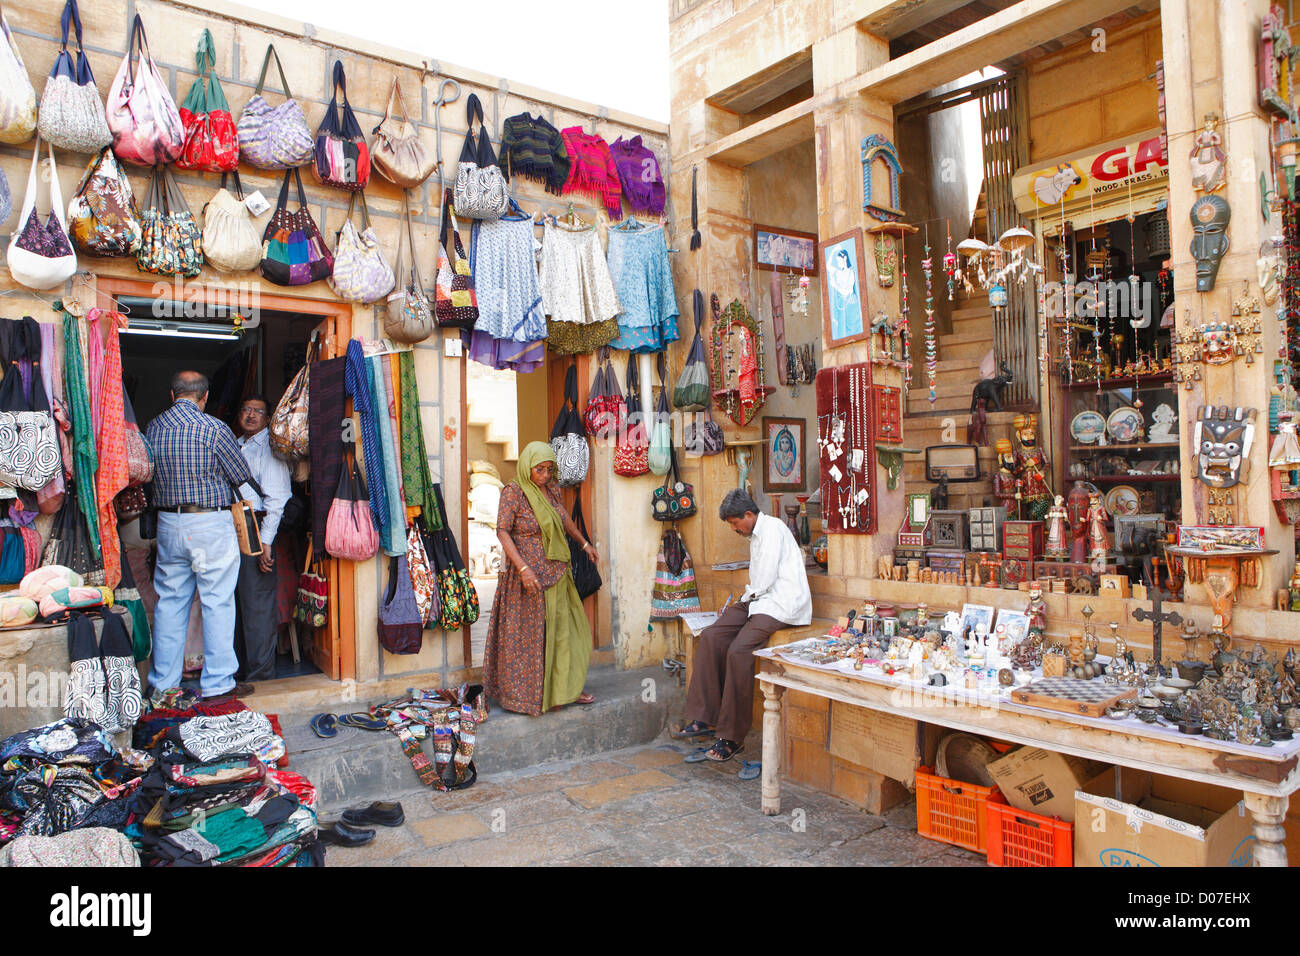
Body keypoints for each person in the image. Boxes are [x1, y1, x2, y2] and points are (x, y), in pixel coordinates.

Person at [146, 370, 258, 703]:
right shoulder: (213, 428)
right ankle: (218, 684)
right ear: (205, 396)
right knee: (217, 601)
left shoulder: (154, 427)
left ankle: (163, 685)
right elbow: (240, 475)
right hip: (209, 523)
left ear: (172, 394)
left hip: (169, 523)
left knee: (170, 603)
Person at [675, 489, 811, 761]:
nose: (735, 529)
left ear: (749, 515)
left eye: (736, 523)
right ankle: (704, 717)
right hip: (758, 600)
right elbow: (758, 585)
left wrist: (744, 600)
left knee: (738, 652)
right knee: (712, 636)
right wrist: (742, 601)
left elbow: (765, 580)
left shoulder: (772, 530)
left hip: (781, 604)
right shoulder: (755, 534)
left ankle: (732, 737)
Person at [482, 442, 599, 715]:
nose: (545, 475)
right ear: (526, 467)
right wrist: (523, 569)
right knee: (531, 638)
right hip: (528, 579)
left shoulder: (552, 489)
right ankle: (533, 696)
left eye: (549, 470)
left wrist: (584, 544)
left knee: (567, 633)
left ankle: (566, 688)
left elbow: (563, 519)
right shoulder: (514, 492)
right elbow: (502, 532)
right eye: (540, 470)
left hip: (557, 572)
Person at [234, 395, 291, 684]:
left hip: (257, 527)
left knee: (256, 603)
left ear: (267, 419)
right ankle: (243, 671)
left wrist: (265, 540)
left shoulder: (268, 447)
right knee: (238, 603)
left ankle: (260, 676)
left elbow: (277, 497)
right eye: (246, 409)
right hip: (237, 525)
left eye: (258, 411)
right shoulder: (238, 443)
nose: (251, 415)